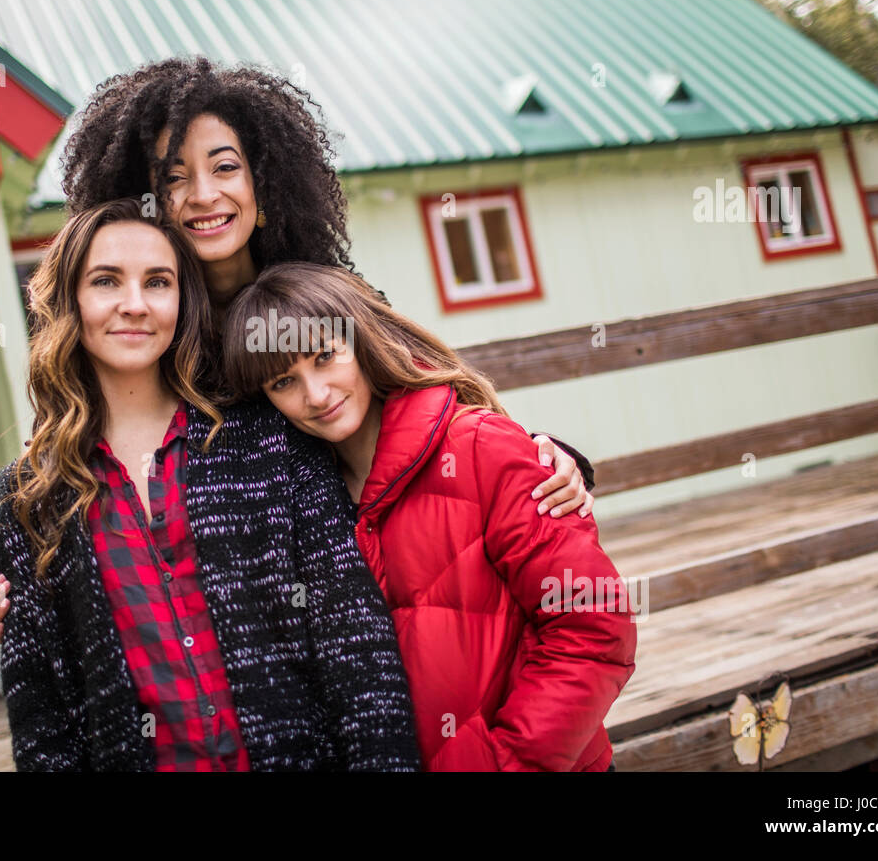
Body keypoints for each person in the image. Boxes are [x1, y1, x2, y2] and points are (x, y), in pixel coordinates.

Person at [0, 56, 594, 641]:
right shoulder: (144, 324)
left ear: (263, 181)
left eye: (225, 167)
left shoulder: (314, 294)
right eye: (174, 178)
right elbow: (96, 443)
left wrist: (548, 459)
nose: (205, 194)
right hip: (244, 626)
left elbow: (428, 400)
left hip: (374, 583)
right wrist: (30, 577)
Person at [0, 198, 420, 770]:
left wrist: (540, 453)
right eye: (107, 281)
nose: (135, 305)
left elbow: (355, 646)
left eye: (158, 282)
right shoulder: (26, 500)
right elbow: (43, 724)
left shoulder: (269, 438)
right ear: (71, 300)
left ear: (182, 302)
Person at [219, 262, 638, 771]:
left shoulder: (480, 446)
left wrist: (505, 763)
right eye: (285, 381)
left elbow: (592, 625)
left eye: (325, 356)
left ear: (362, 341)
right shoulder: (298, 504)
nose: (317, 394)